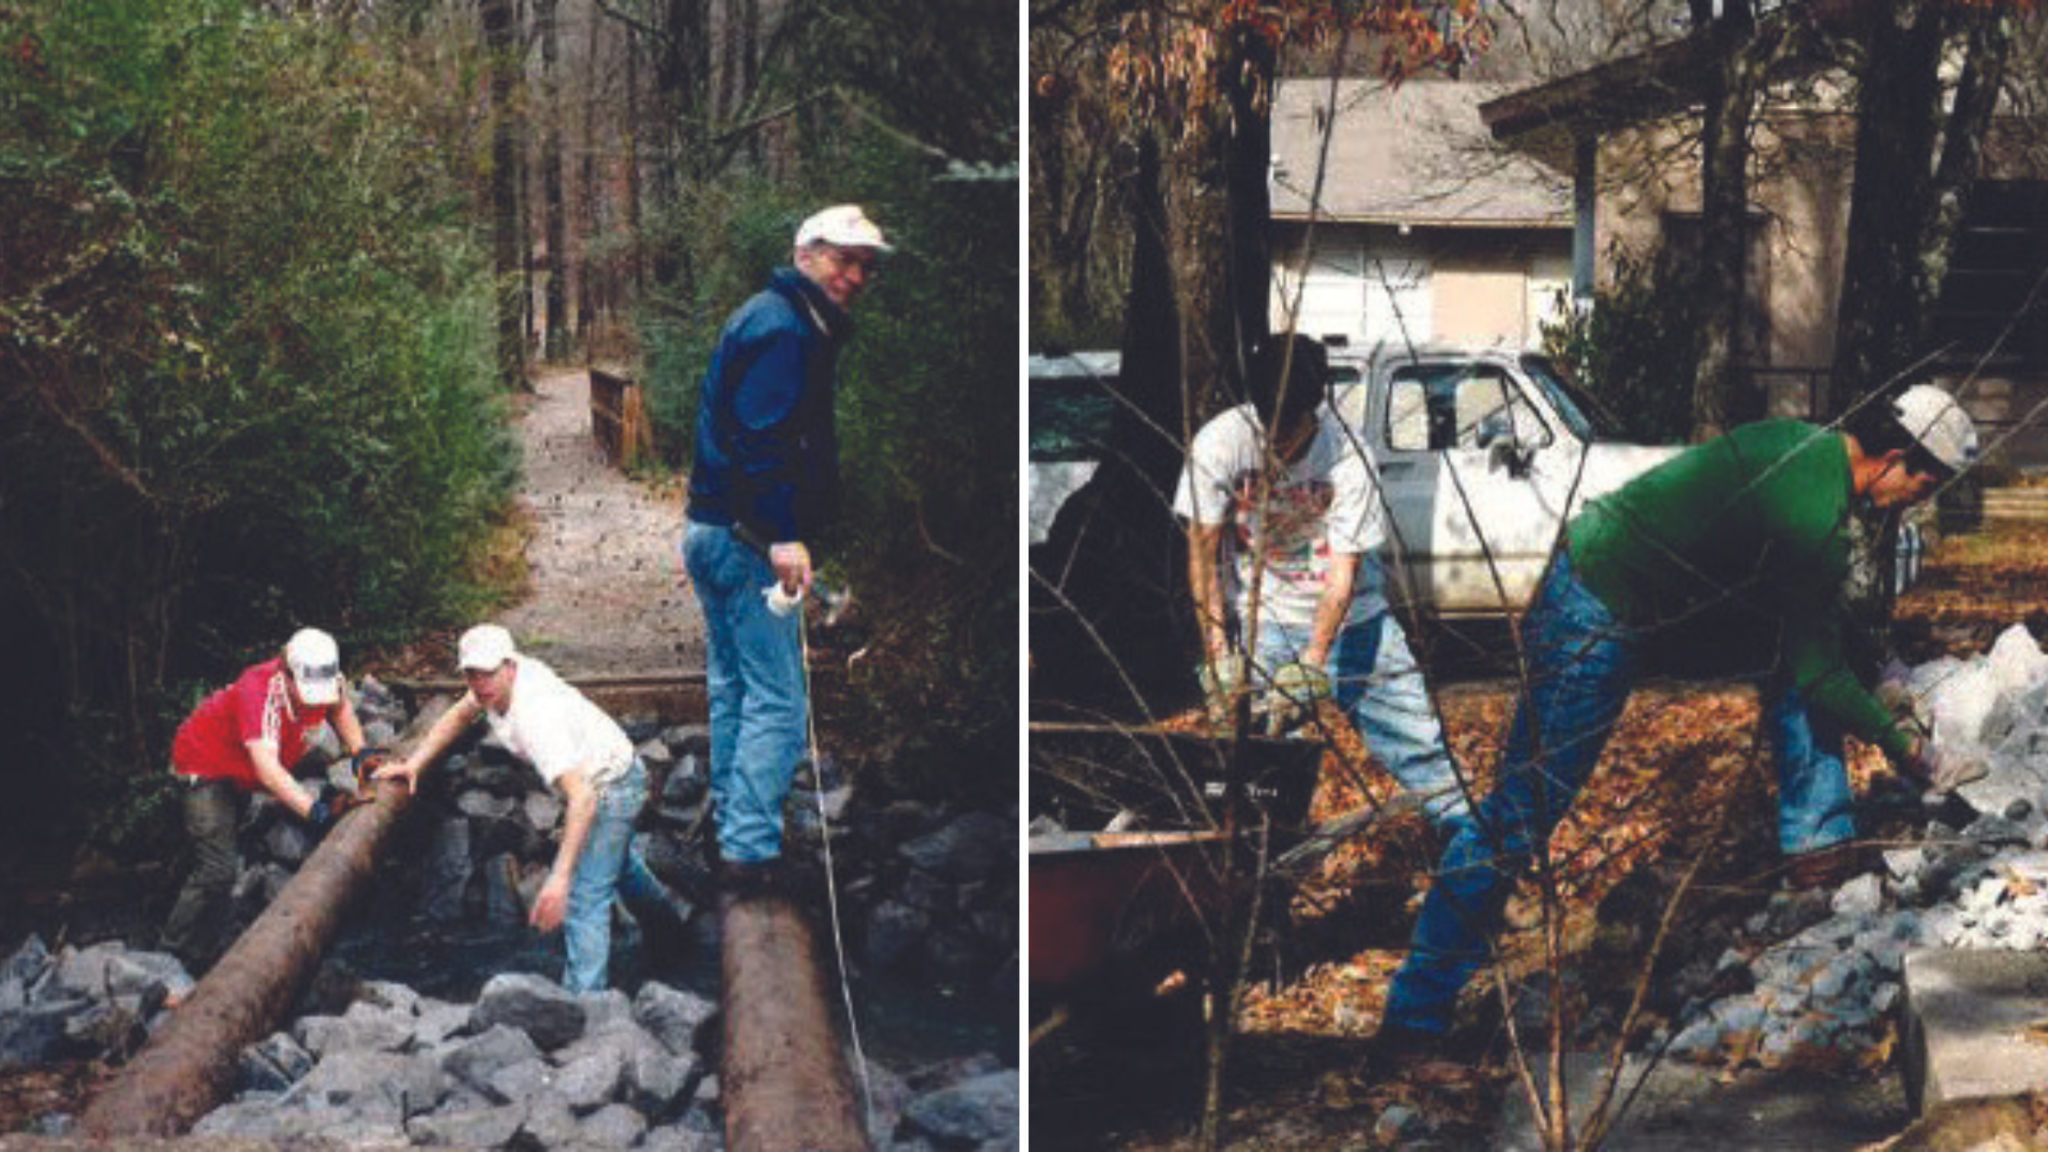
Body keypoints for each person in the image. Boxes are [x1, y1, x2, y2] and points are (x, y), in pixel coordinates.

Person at [1375, 383, 1979, 1055]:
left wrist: (1881, 664)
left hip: (1631, 590)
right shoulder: (1812, 508)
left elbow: (1808, 615)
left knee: (1789, 662)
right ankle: (1412, 1022)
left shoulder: (1802, 449)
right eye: (1922, 487)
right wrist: (1909, 753)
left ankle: (1818, 845)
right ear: (1896, 457)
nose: (1915, 503)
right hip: (1597, 605)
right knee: (1521, 813)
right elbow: (1821, 665)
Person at [1174, 333, 1470, 829]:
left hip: (1356, 623)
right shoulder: (1220, 444)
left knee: (1422, 753)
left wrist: (1313, 660)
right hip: (1262, 622)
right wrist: (1219, 652)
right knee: (1255, 778)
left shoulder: (1349, 454)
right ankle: (1261, 885)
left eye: (1289, 428)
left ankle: (1474, 864)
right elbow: (1203, 551)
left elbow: (1344, 571)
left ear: (1316, 410)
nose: (1277, 439)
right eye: (1269, 424)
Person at [680, 204, 890, 884]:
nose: (854, 275)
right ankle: (748, 850)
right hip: (746, 539)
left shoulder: (773, 317)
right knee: (778, 697)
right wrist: (784, 534)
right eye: (842, 259)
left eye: (865, 265)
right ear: (805, 255)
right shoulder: (784, 329)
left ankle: (732, 825)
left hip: (711, 529)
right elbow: (762, 440)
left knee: (734, 684)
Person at [375, 624, 682, 992]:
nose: (480, 682)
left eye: (489, 673)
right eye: (472, 674)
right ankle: (674, 935)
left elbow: (583, 798)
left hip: (612, 785)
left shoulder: (535, 717)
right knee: (616, 868)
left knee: (586, 898)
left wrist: (560, 878)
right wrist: (415, 763)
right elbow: (459, 714)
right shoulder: (488, 689)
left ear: (510, 666)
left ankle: (587, 1010)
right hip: (606, 770)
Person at [162, 627, 373, 970]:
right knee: (218, 870)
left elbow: (341, 710)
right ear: (287, 674)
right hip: (203, 765)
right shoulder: (258, 693)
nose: (314, 700)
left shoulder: (325, 674)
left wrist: (362, 753)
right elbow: (269, 772)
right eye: (307, 694)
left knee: (225, 855)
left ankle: (211, 946)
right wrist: (317, 812)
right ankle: (167, 956)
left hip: (242, 766)